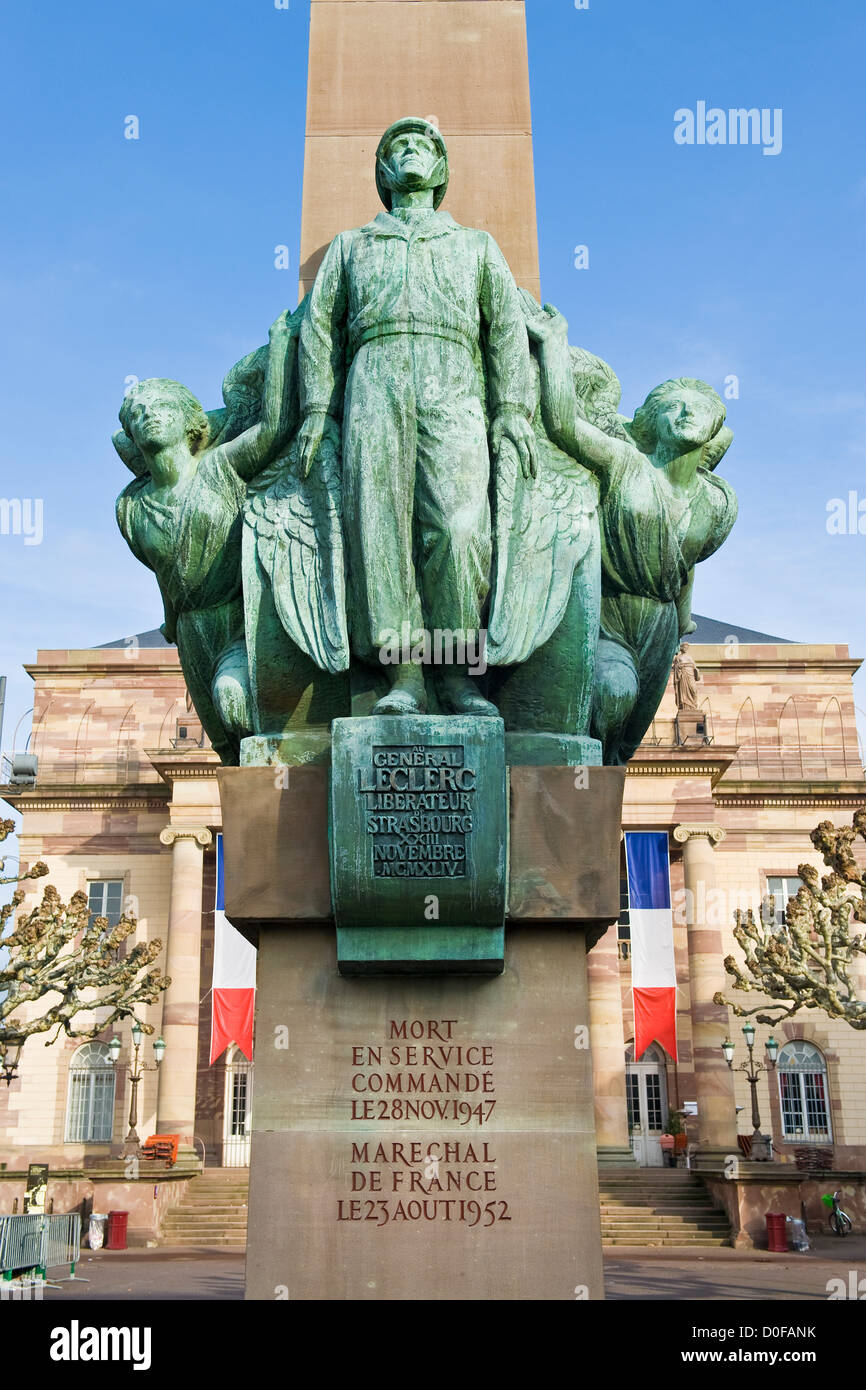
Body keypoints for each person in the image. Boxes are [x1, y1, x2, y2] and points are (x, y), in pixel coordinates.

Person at [296, 118, 536, 716]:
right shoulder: (354, 246)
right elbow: (319, 328)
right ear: (382, 172)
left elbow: (506, 328)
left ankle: (457, 676)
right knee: (380, 531)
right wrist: (316, 409)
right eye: (396, 146)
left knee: (458, 530)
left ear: (440, 170)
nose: (409, 151)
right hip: (374, 381)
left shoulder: (475, 245)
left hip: (453, 380)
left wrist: (510, 408)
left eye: (421, 145)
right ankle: (405, 675)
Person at [523, 299, 737, 764]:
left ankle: (594, 820)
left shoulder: (717, 502)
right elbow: (562, 423)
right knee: (611, 694)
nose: (684, 413)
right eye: (672, 407)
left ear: (714, 425)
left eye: (697, 408)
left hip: (661, 628)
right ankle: (568, 803)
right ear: (652, 421)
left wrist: (683, 620)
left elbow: (686, 561)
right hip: (608, 615)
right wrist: (553, 343)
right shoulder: (625, 464)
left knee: (624, 746)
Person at [114, 310, 295, 762]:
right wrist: (170, 619)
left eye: (160, 407)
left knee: (236, 705)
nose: (148, 415)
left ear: (189, 419)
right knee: (226, 751)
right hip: (192, 633)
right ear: (131, 435)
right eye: (137, 414)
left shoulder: (221, 467)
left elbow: (274, 429)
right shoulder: (130, 507)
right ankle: (252, 826)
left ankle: (287, 809)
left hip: (242, 619)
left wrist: (281, 350)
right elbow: (165, 569)